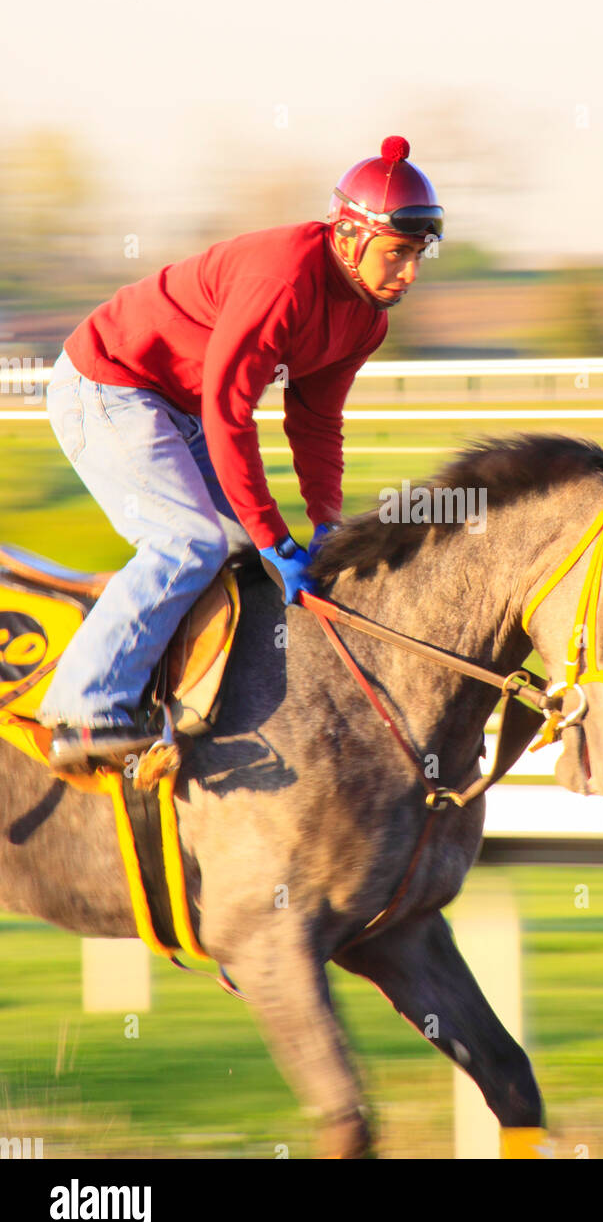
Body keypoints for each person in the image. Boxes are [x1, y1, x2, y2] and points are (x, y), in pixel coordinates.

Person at [38, 135, 443, 769]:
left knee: (240, 552)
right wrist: (274, 533)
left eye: (419, 255)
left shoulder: (367, 317)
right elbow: (230, 413)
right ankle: (85, 712)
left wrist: (325, 522)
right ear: (348, 238)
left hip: (184, 406)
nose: (410, 272)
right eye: (397, 253)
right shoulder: (282, 279)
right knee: (188, 542)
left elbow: (316, 420)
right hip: (109, 385)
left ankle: (176, 700)